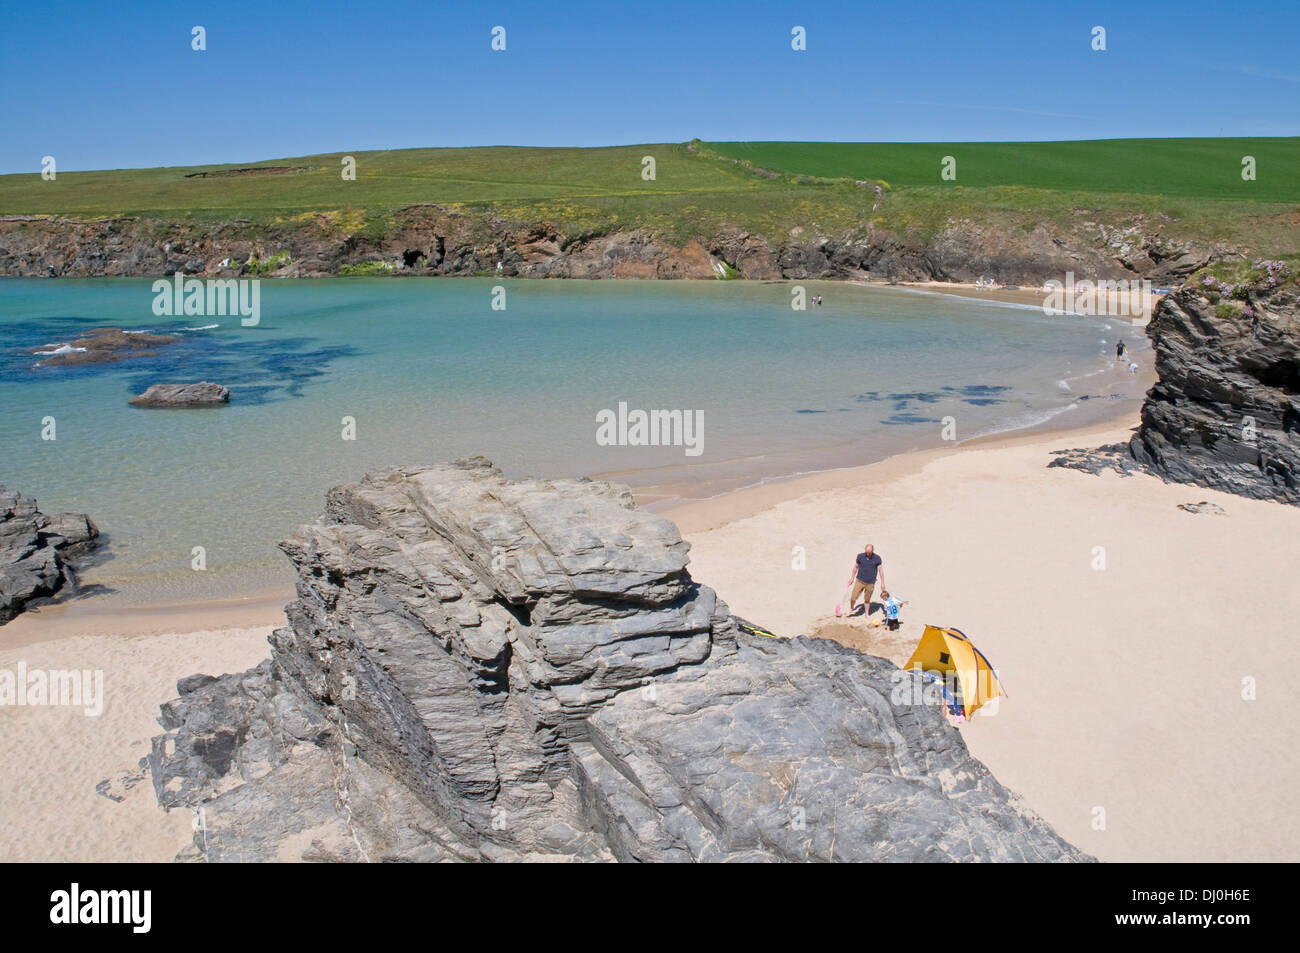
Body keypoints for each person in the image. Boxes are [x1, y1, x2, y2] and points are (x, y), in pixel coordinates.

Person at [848, 543, 884, 615]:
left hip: (870, 583)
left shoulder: (877, 558)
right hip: (859, 581)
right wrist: (852, 578)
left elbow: (880, 570)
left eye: (869, 553)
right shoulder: (860, 556)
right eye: (867, 552)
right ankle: (851, 608)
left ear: (873, 551)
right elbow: (856, 567)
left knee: (867, 600)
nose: (868, 554)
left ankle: (867, 614)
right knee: (853, 597)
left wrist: (882, 583)